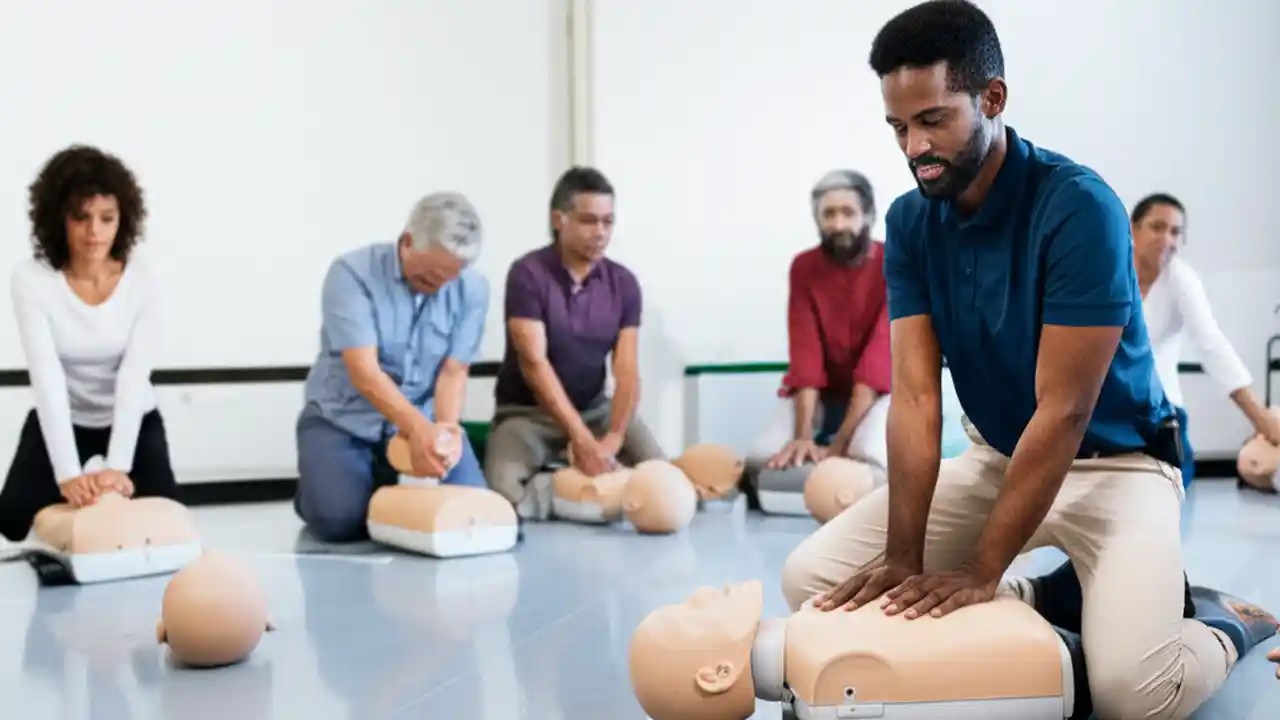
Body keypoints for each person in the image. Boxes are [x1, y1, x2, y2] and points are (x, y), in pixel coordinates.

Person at [779, 3, 1275, 718]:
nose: (914, 146)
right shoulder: (912, 220)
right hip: (998, 460)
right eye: (898, 127)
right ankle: (1052, 595)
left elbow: (1067, 409)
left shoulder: (1079, 207)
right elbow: (917, 399)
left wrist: (984, 570)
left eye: (933, 120)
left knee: (1132, 694)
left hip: (1121, 469)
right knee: (817, 582)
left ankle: (1223, 619)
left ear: (992, 98)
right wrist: (900, 557)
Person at [2, 145, 175, 542]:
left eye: (106, 218)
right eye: (81, 218)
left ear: (123, 220)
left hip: (133, 417)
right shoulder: (30, 278)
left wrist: (117, 466)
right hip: (66, 418)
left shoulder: (146, 275)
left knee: (166, 517)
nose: (94, 232)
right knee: (10, 520)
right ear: (59, 219)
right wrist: (67, 473)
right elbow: (47, 378)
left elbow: (133, 375)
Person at [293, 192, 489, 542]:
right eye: (430, 277)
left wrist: (444, 432)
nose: (439, 287)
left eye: (449, 279)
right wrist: (417, 430)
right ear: (407, 241)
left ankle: (381, 482)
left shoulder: (473, 289)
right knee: (340, 523)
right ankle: (325, 486)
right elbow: (364, 372)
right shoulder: (351, 274)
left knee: (471, 511)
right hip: (344, 420)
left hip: (423, 419)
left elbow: (453, 371)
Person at [484, 166, 663, 508]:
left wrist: (613, 437)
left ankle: (573, 485)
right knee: (503, 496)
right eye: (588, 221)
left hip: (595, 412)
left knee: (662, 479)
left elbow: (626, 370)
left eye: (607, 222)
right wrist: (580, 439)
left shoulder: (623, 283)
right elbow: (535, 365)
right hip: (527, 416)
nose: (600, 232)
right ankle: (567, 483)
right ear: (559, 219)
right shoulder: (527, 274)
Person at [1131, 192, 1280, 486]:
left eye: (1176, 232)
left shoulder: (1181, 279)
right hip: (1109, 404)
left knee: (1172, 479)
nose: (1167, 239)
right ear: (1133, 229)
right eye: (1157, 227)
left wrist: (1261, 419)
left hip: (1163, 407)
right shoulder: (1108, 272)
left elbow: (1212, 345)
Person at [751, 170, 891, 472]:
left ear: (868, 215)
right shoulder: (803, 268)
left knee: (867, 455)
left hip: (881, 393)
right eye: (829, 214)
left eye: (848, 213)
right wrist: (802, 437)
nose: (838, 224)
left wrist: (837, 447)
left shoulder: (894, 263)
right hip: (825, 397)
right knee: (761, 458)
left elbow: (876, 366)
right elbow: (805, 357)